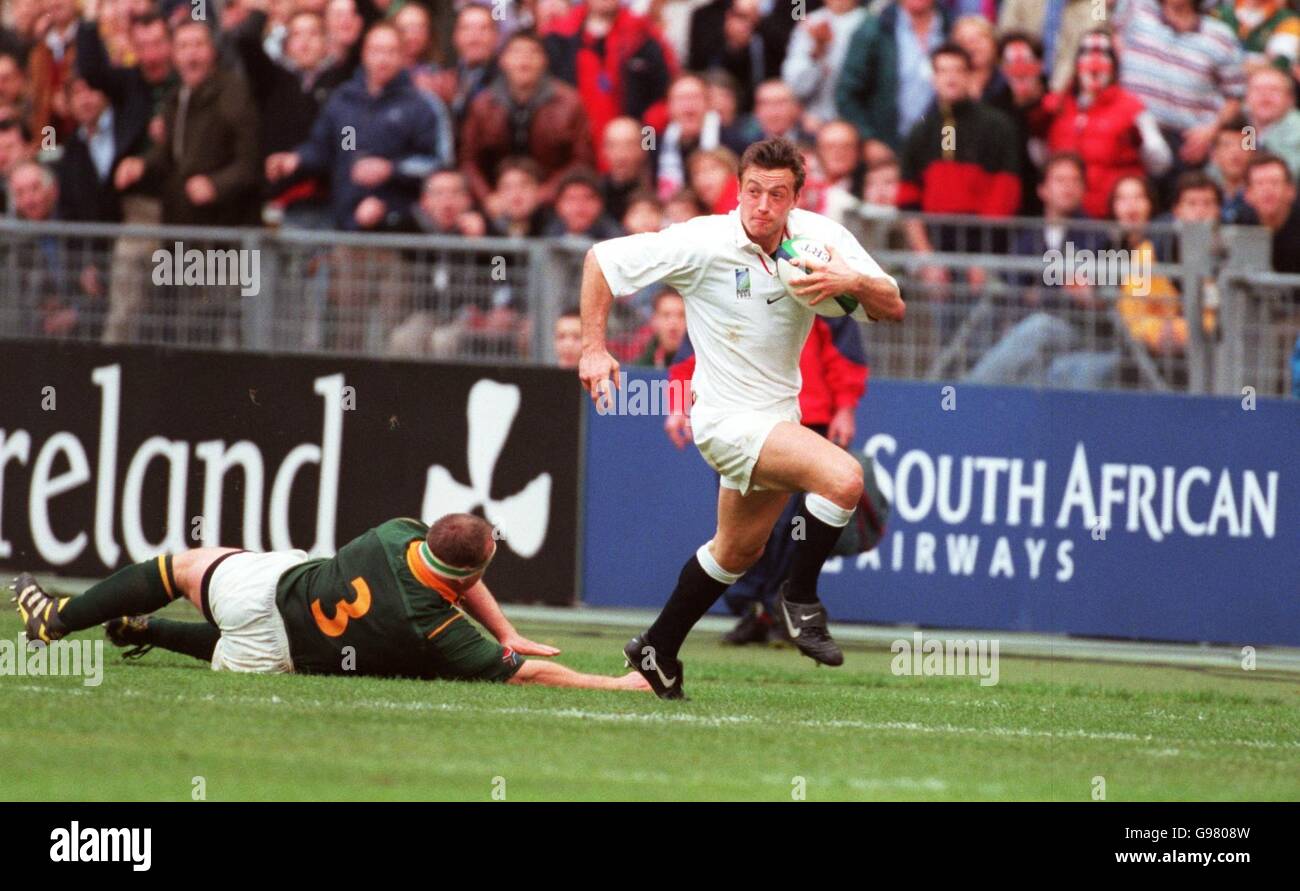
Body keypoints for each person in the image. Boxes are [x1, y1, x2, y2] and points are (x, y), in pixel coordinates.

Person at [578, 136, 903, 698]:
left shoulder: (822, 241)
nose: (762, 205)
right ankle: (800, 598)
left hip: (778, 416)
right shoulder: (704, 241)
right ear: (739, 190)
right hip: (724, 421)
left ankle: (657, 650)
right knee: (845, 478)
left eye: (777, 194)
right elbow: (600, 260)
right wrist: (592, 347)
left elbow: (891, 304)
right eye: (752, 191)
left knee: (735, 550)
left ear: (796, 198)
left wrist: (849, 282)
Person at [12, 513, 649, 692]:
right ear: (473, 571)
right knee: (247, 646)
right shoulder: (431, 626)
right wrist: (616, 685)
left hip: (278, 588)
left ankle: (83, 619)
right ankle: (83, 624)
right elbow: (526, 671)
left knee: (183, 566)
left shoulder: (399, 533)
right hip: (285, 651)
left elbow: (459, 573)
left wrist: (505, 630)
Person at [667, 313, 869, 646]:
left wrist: (845, 406)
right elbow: (694, 348)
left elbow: (843, 348)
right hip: (735, 424)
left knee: (793, 527)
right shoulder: (719, 270)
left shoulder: (809, 270)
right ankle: (755, 611)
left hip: (803, 421)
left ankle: (777, 608)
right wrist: (677, 406)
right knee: (741, 536)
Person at [1037, 28, 1172, 220]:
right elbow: (1041, 156)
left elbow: (1160, 163)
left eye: (1103, 56)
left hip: (1111, 221)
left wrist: (1143, 141)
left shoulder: (1133, 109)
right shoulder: (1056, 105)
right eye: (1087, 55)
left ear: (1115, 65)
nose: (1094, 65)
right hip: (1066, 218)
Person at [459, 29, 594, 211]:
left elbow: (581, 162)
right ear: (503, 61)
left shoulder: (569, 102)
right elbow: (468, 162)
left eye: (532, 52)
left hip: (553, 204)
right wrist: (488, 198)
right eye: (516, 52)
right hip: (495, 203)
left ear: (544, 60)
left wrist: (544, 195)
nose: (524, 59)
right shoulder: (482, 104)